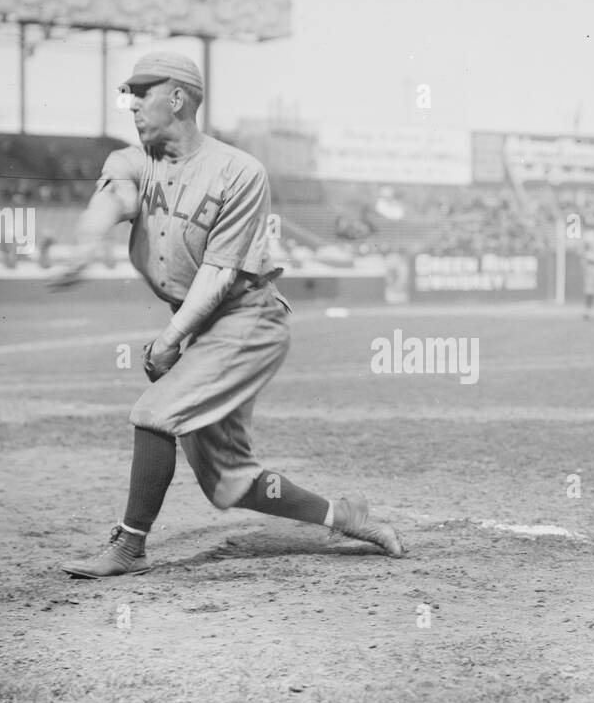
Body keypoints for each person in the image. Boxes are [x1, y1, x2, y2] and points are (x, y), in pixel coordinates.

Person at [50, 51, 404, 578]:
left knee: (154, 412)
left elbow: (217, 275)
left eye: (141, 92)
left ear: (177, 98)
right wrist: (85, 241)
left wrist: (171, 338)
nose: (130, 104)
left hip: (249, 319)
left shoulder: (240, 171)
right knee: (229, 483)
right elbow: (116, 198)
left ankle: (129, 548)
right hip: (206, 326)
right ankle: (347, 518)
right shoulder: (132, 161)